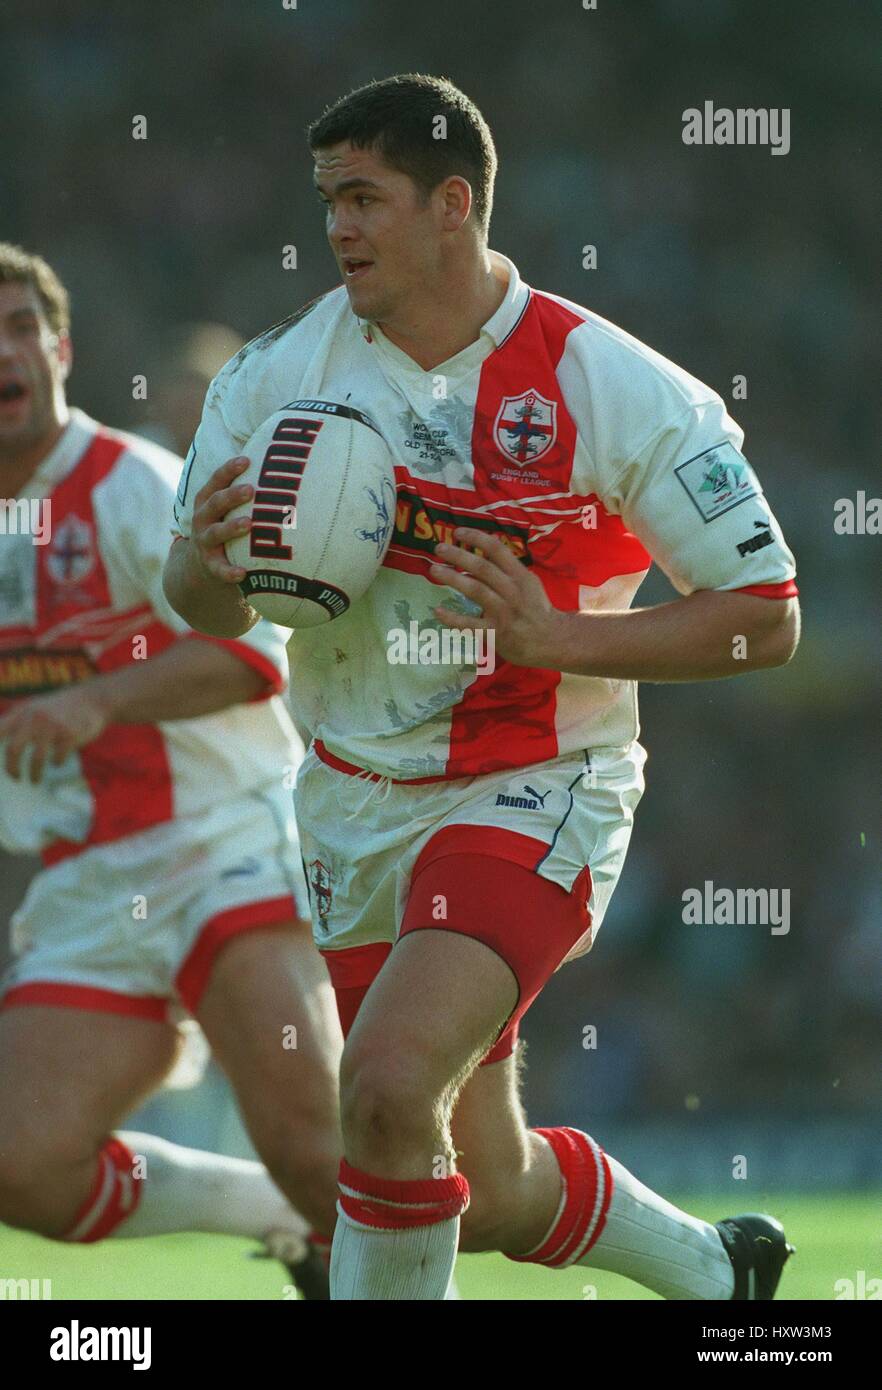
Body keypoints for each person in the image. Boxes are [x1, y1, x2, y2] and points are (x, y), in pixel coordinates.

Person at [164, 74, 800, 1301]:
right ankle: (727, 1284)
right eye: (328, 200)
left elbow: (763, 619)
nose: (338, 227)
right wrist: (205, 557)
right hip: (351, 797)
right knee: (482, 1179)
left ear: (454, 204)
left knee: (389, 1089)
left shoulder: (611, 386)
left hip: (534, 784)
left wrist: (561, 638)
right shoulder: (273, 378)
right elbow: (204, 611)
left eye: (366, 198)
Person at [0, 243, 342, 1298]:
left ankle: (694, 1260)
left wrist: (100, 697)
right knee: (23, 1166)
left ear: (61, 349)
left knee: (325, 1149)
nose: (0, 350)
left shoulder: (133, 484)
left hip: (219, 842)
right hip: (88, 879)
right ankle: (278, 1218)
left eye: (19, 326)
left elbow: (252, 655)